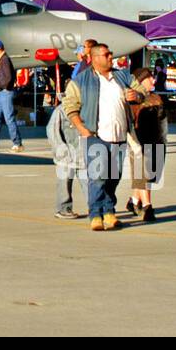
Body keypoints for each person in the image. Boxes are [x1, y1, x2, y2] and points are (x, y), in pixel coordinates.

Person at [60, 43, 144, 230]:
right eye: (106, 54)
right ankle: (96, 214)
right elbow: (69, 105)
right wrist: (82, 128)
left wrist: (136, 96)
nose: (110, 57)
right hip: (96, 135)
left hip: (120, 134)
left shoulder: (122, 76)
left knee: (114, 176)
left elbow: (143, 91)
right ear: (95, 57)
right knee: (98, 176)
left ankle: (109, 212)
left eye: (110, 54)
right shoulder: (81, 80)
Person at [125, 68, 167, 222]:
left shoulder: (156, 98)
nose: (154, 81)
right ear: (140, 81)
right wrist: (133, 143)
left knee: (150, 174)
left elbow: (162, 122)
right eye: (149, 78)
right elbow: (127, 124)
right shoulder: (131, 99)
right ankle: (147, 206)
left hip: (156, 141)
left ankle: (134, 201)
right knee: (143, 174)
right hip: (139, 142)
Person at [47, 98, 85, 219]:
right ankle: (63, 209)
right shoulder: (61, 110)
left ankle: (97, 208)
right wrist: (61, 150)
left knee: (90, 184)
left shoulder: (87, 108)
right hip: (66, 156)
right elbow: (52, 131)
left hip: (83, 155)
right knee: (64, 184)